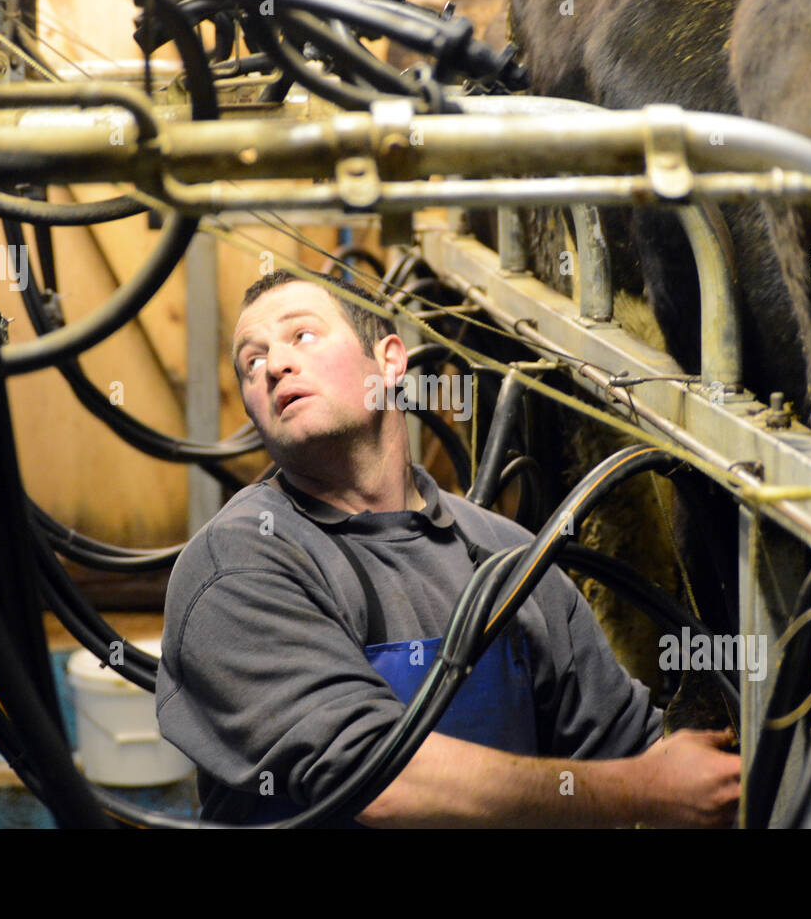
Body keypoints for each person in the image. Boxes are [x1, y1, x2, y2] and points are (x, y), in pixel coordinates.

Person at [156, 269, 741, 828]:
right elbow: (379, 778)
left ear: (388, 361)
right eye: (251, 363)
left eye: (301, 336)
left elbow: (627, 747)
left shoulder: (509, 555)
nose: (275, 366)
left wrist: (747, 782)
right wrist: (649, 791)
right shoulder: (237, 564)